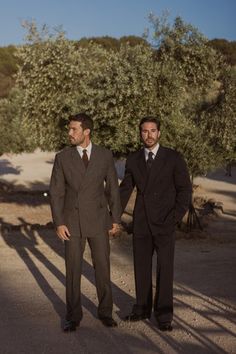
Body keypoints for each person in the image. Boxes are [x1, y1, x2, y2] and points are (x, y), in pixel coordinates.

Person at [49, 112, 121, 332]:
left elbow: (113, 189)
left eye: (74, 129)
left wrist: (115, 218)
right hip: (72, 222)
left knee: (103, 268)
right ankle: (73, 316)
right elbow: (56, 193)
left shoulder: (105, 155)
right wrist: (59, 222)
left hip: (99, 220)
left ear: (86, 131)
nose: (69, 133)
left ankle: (105, 312)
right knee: (72, 270)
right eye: (69, 129)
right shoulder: (62, 157)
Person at [119, 116, 192, 331]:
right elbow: (125, 190)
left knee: (164, 268)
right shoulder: (133, 159)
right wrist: (113, 217)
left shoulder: (174, 157)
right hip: (141, 222)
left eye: (152, 131)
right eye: (144, 131)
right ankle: (141, 308)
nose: (148, 135)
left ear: (159, 133)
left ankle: (164, 313)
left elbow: (185, 190)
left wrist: (174, 218)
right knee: (141, 267)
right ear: (140, 133)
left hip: (165, 222)